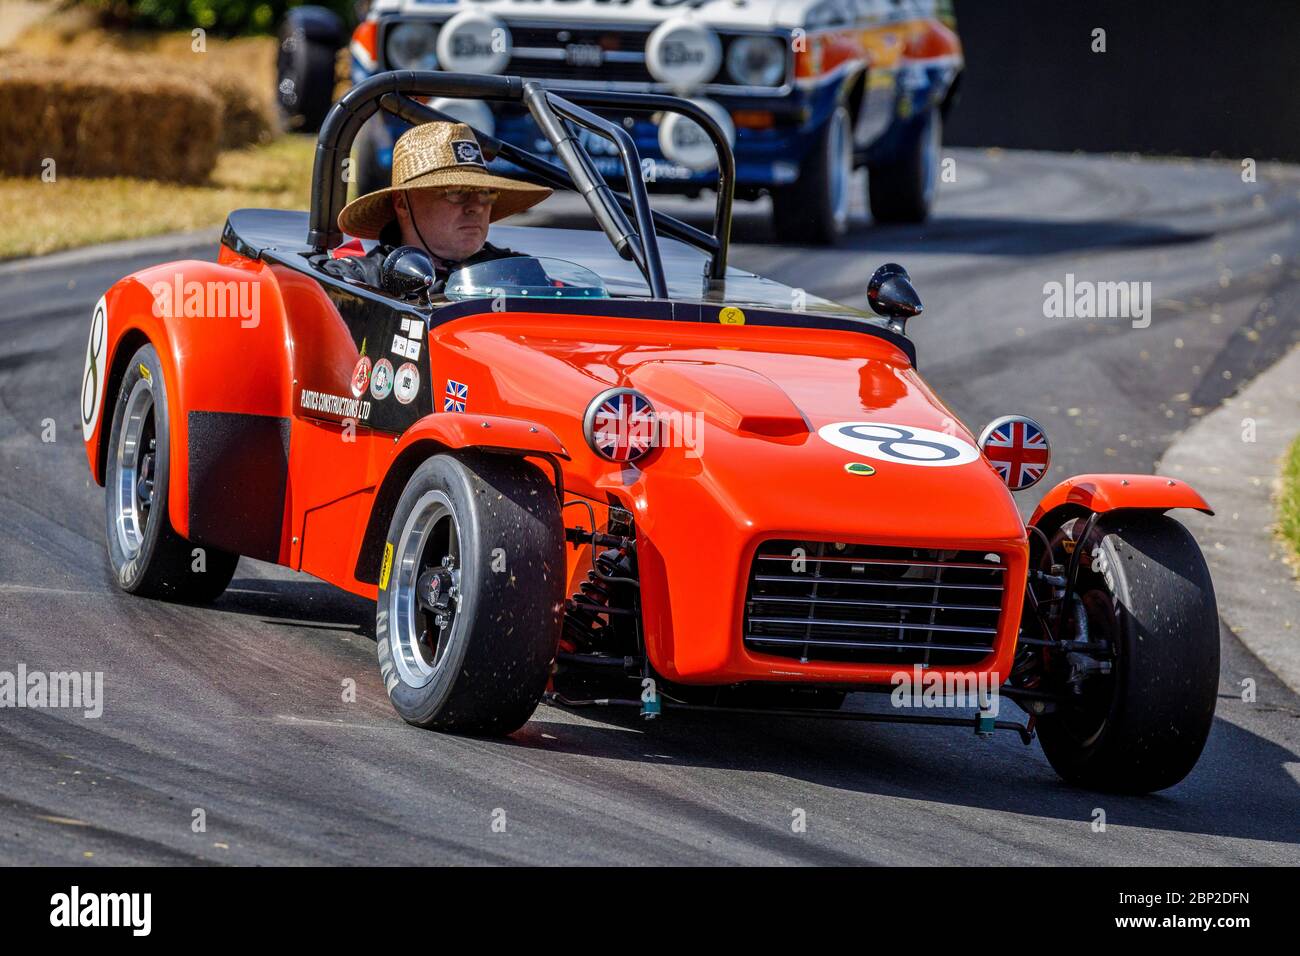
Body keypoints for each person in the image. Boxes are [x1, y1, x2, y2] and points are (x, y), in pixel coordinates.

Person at [322, 121, 552, 293]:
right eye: (456, 192)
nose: (476, 207)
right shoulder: (358, 281)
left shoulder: (520, 276)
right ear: (403, 203)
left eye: (485, 193)